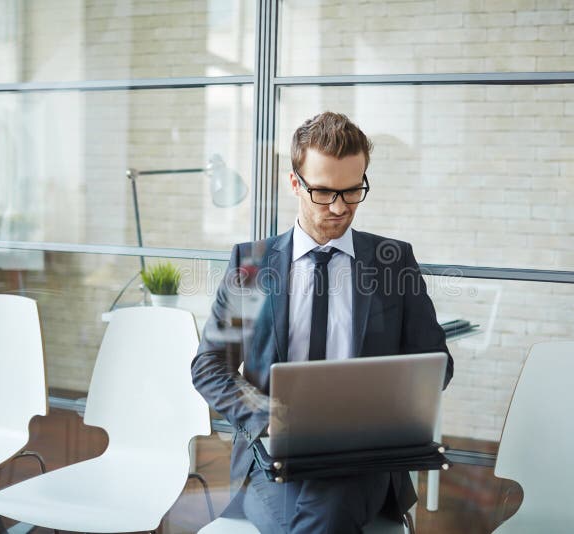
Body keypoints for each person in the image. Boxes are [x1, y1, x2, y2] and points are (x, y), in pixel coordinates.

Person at [192, 111, 453, 534]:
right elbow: (209, 365)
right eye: (324, 192)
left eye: (352, 192)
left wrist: (389, 404)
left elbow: (437, 362)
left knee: (327, 504)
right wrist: (267, 415)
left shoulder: (393, 263)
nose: (338, 207)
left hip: (366, 458)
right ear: (295, 183)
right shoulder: (253, 265)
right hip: (272, 457)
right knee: (323, 513)